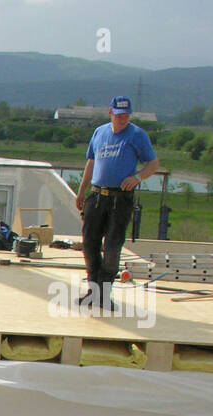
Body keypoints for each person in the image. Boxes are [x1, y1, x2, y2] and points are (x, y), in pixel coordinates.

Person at [75, 95, 159, 310]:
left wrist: (138, 177)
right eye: (119, 115)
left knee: (112, 246)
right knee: (89, 244)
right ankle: (93, 290)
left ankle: (104, 293)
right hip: (96, 195)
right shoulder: (100, 132)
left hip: (120, 198)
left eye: (126, 116)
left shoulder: (137, 135)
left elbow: (153, 163)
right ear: (110, 113)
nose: (123, 119)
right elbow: (91, 162)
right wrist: (81, 191)